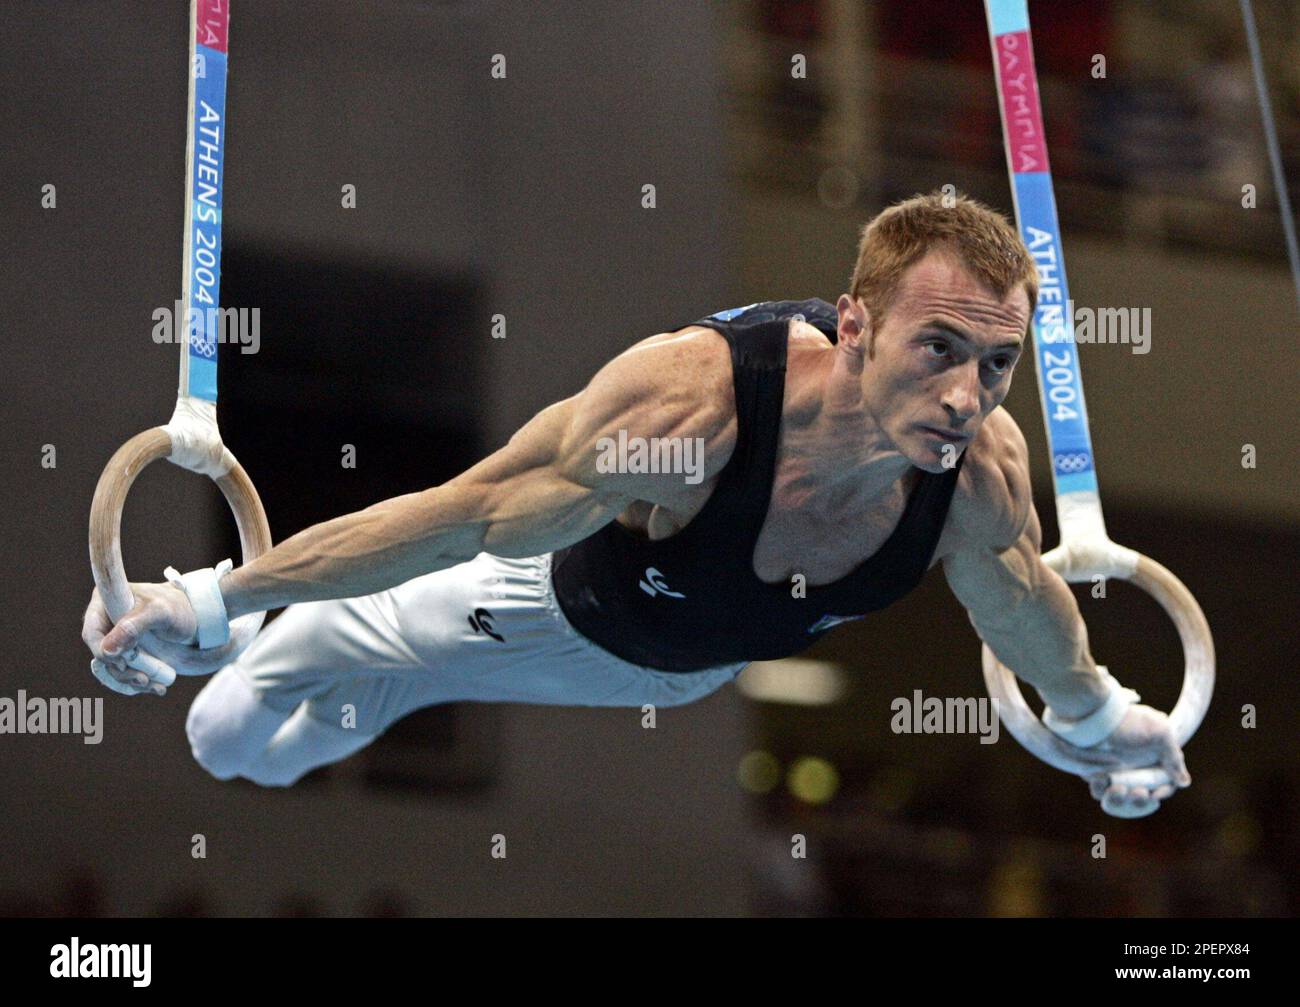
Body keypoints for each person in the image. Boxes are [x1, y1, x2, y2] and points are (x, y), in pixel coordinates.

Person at [81, 191, 1190, 814]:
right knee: (229, 739)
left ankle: (354, 696)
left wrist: (1097, 718)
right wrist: (220, 595)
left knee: (311, 727)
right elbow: (459, 515)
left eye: (996, 364)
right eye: (937, 347)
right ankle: (301, 661)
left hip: (676, 666)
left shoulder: (976, 479)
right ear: (854, 327)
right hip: (526, 601)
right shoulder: (693, 418)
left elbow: (1021, 611)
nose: (965, 395)